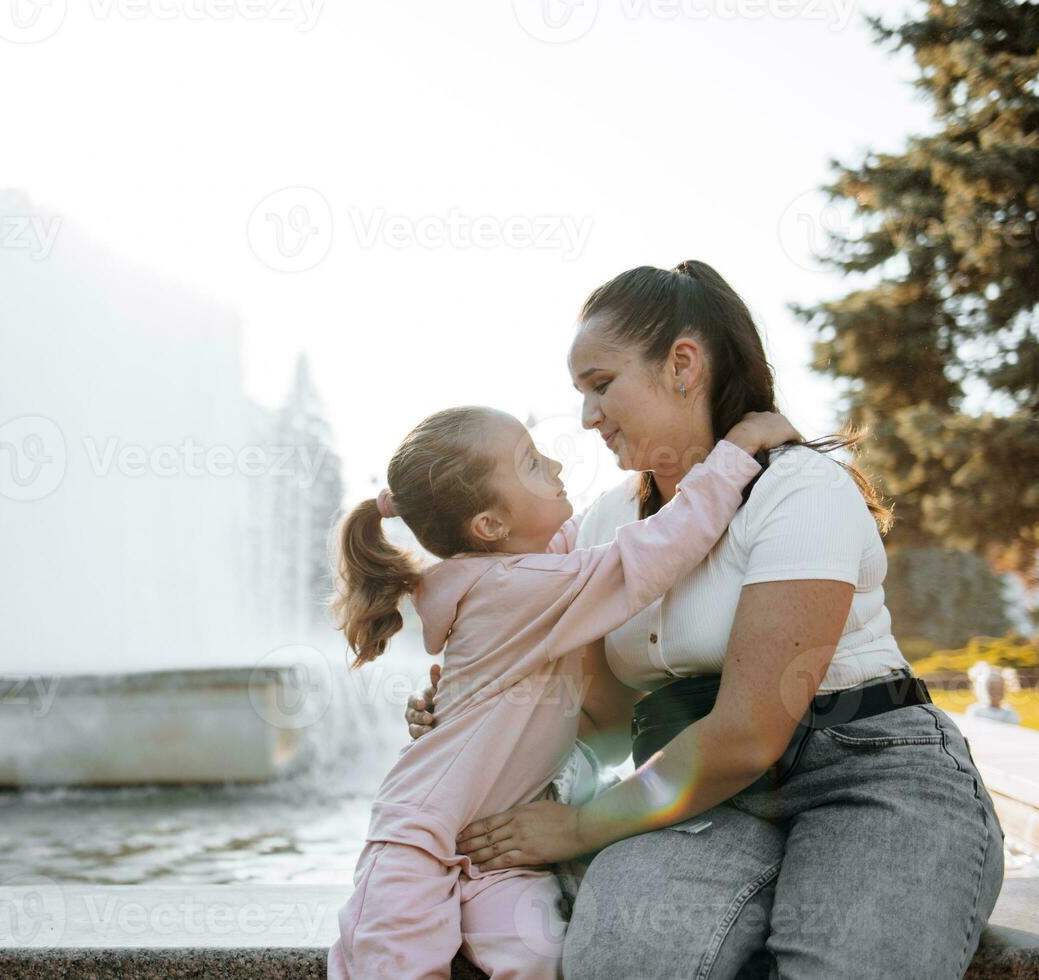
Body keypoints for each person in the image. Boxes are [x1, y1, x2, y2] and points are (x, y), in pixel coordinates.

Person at [408, 261, 1005, 979]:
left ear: (683, 365)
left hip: (866, 766)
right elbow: (604, 716)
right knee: (622, 960)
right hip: (697, 789)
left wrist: (578, 826)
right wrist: (478, 712)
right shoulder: (605, 524)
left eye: (602, 384)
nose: (588, 416)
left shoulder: (800, 489)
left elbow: (749, 733)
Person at [328, 404, 799, 979]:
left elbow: (594, 535)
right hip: (419, 835)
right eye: (531, 463)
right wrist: (736, 453)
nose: (554, 464)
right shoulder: (516, 586)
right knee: (395, 966)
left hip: (498, 847)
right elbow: (656, 549)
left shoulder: (529, 568)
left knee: (541, 957)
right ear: (490, 526)